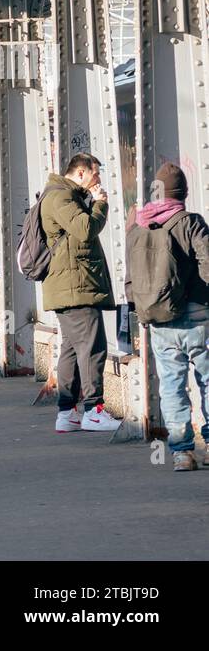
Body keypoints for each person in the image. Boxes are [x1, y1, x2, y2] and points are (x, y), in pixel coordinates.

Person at [125, 163, 209, 470]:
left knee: (172, 384)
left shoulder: (137, 226)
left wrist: (139, 311)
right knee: (208, 380)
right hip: (198, 316)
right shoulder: (190, 223)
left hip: (159, 319)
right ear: (184, 193)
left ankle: (181, 452)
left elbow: (131, 277)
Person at [40, 152, 120, 433]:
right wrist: (100, 204)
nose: (98, 179)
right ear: (82, 172)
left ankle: (67, 412)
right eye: (95, 174)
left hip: (71, 286)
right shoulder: (60, 197)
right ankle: (94, 410)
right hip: (74, 287)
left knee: (73, 349)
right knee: (93, 347)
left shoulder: (66, 196)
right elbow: (86, 230)